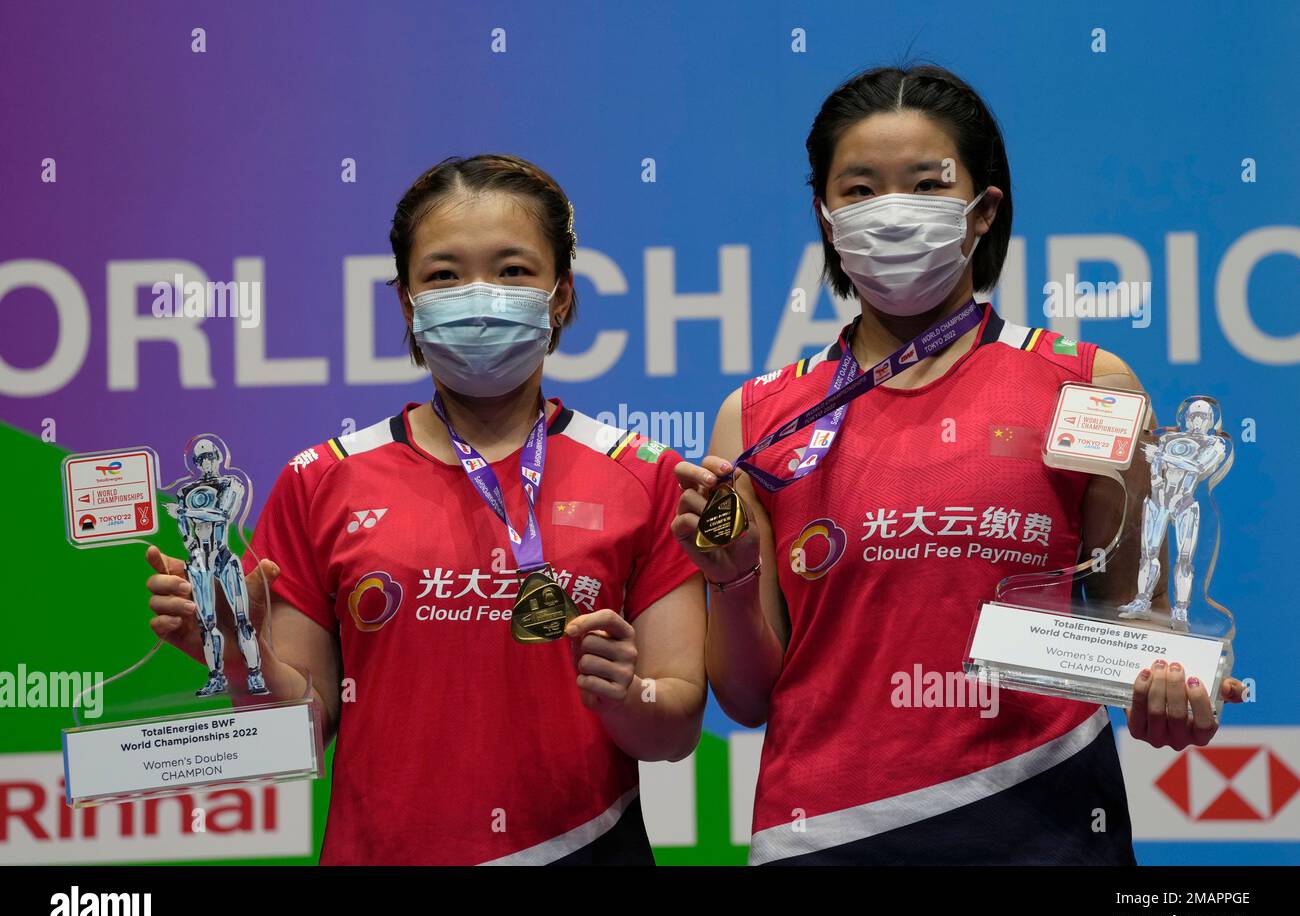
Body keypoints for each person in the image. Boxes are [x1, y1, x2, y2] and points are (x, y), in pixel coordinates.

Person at [672, 65, 1245, 865]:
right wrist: (730, 578)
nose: (892, 211)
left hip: (1043, 822)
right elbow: (747, 696)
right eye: (861, 189)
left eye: (925, 183)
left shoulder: (1086, 386)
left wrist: (1169, 689)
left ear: (984, 210)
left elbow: (1132, 620)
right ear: (825, 216)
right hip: (825, 835)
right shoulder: (762, 418)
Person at [145, 154, 705, 865]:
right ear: (408, 301)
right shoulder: (322, 481)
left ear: (561, 295)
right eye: (444, 275)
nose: (480, 296)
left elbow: (674, 733)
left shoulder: (645, 477)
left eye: (512, 271)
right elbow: (297, 739)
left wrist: (628, 695)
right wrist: (237, 657)